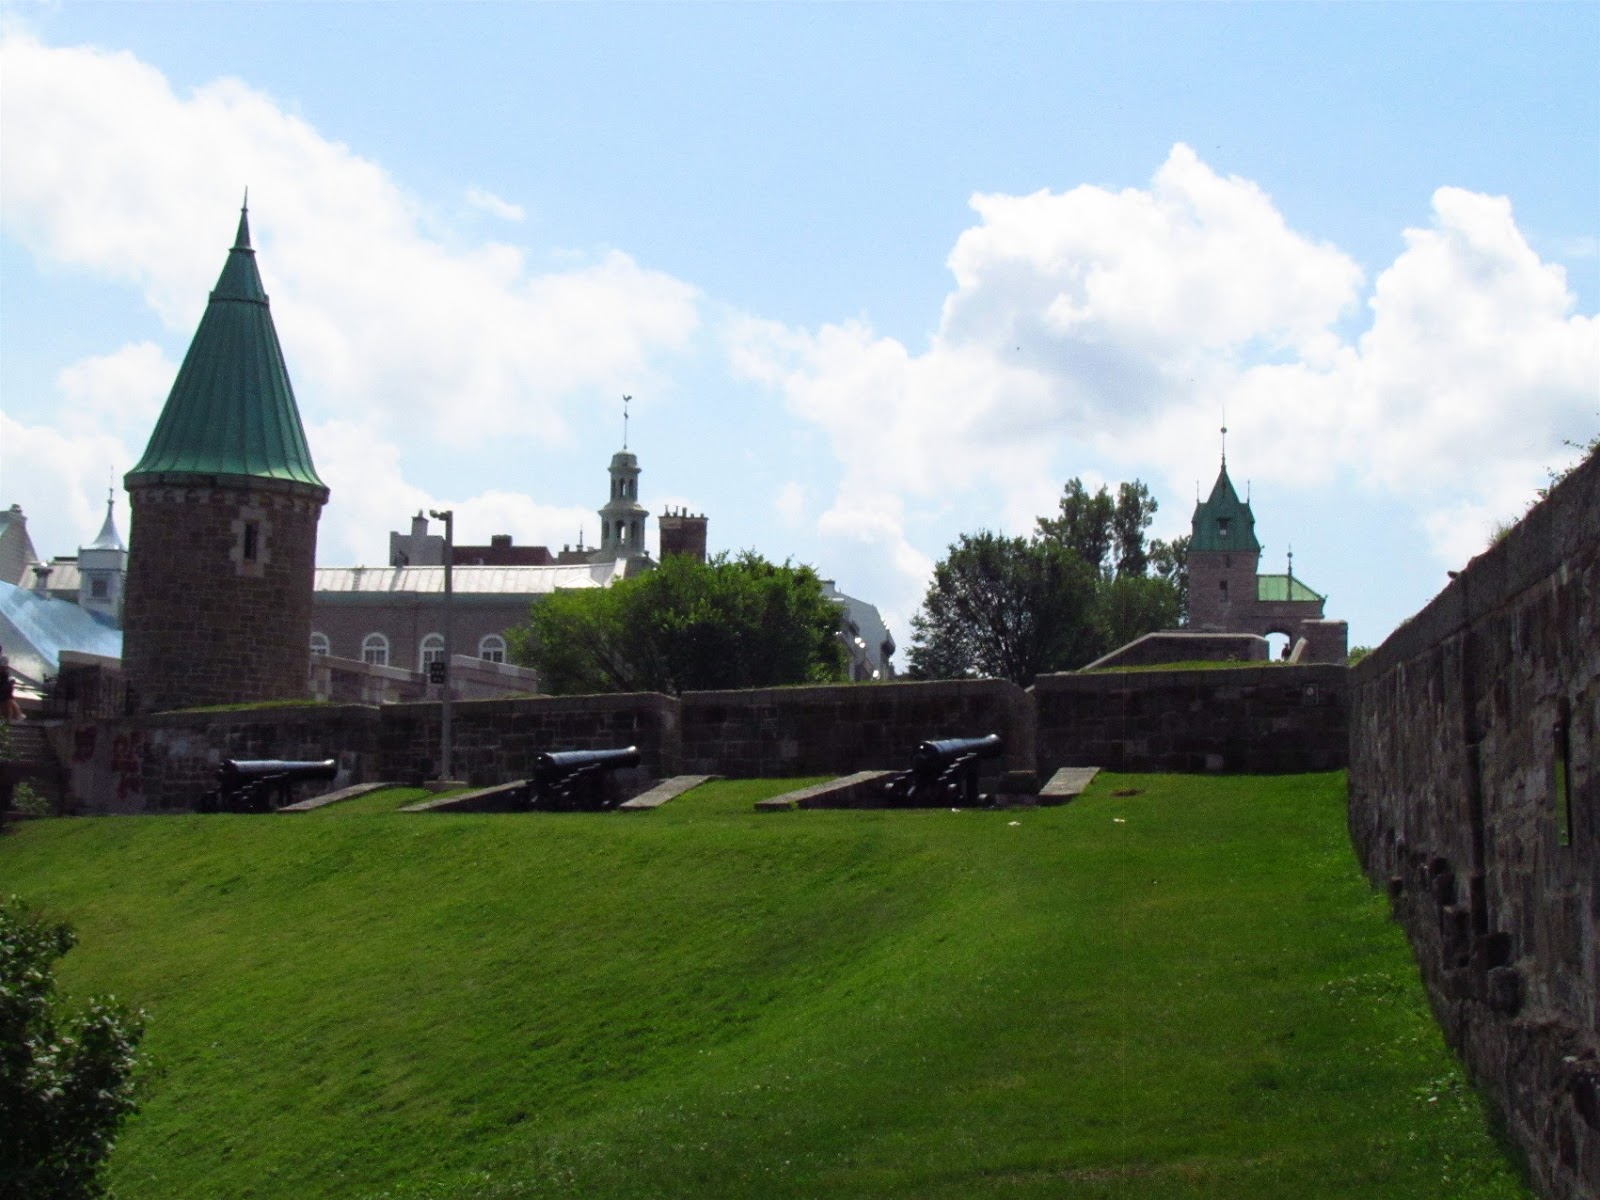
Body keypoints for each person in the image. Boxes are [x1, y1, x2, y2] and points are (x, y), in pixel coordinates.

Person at [0, 643, 20, 722]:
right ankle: (14, 716)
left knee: (8, 700)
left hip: (4, 682)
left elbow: (3, 669)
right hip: (3, 681)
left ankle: (12, 717)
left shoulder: (3, 658)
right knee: (8, 700)